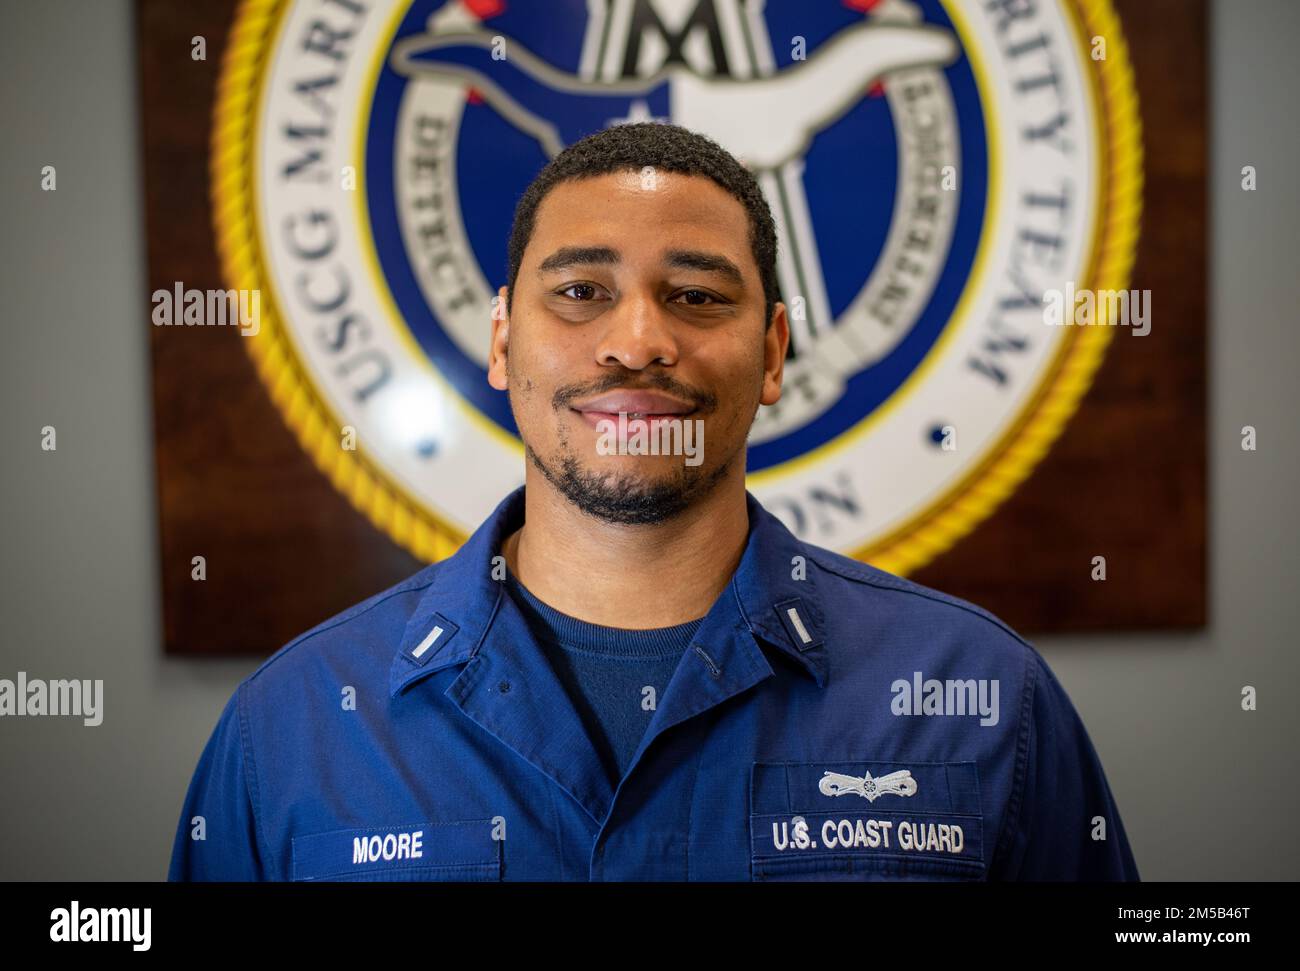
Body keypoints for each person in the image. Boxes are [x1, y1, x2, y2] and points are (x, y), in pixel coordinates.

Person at [169, 122, 1138, 881]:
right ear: (503, 341)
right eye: (582, 291)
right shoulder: (293, 729)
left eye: (699, 297)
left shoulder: (982, 701)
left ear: (771, 352)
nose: (637, 341)